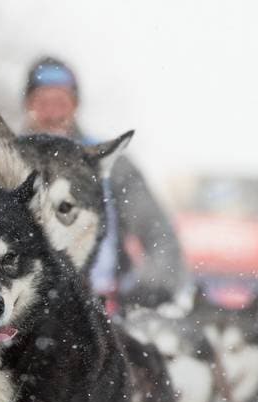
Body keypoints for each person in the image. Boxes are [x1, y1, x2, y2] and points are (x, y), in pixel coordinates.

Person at [23, 56, 187, 299]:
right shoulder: (4, 159)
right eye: (43, 103)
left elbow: (159, 234)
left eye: (61, 102)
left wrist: (152, 285)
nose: (52, 113)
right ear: (28, 105)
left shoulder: (109, 162)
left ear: (75, 106)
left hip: (98, 303)